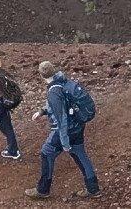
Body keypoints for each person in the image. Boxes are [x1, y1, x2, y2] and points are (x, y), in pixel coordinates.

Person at [27, 61, 99, 200]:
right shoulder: (62, 81)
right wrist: (42, 111)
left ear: (41, 76)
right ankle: (93, 188)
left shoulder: (53, 91)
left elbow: (62, 119)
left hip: (67, 130)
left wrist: (64, 142)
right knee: (79, 153)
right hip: (78, 124)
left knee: (46, 153)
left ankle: (43, 190)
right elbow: (62, 104)